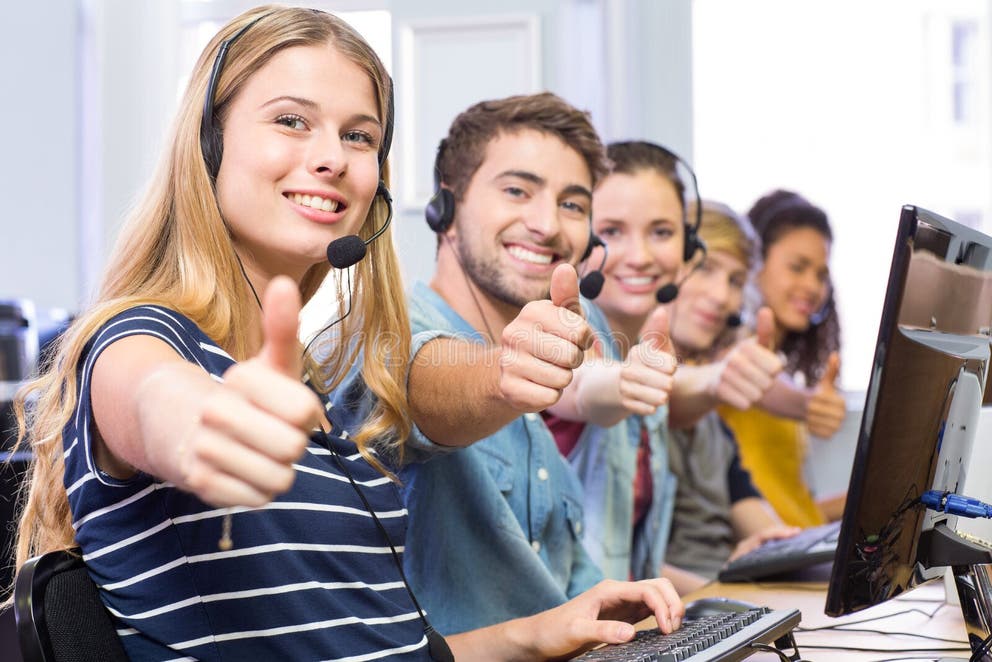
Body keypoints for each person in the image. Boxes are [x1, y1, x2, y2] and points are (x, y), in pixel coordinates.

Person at [6, 8, 683, 660]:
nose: (331, 156)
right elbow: (154, 397)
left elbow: (385, 650)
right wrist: (201, 426)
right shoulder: (138, 337)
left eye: (359, 136)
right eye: (291, 121)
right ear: (208, 143)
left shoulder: (312, 392)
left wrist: (540, 633)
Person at [395, 94, 682, 635]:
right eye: (516, 191)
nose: (548, 224)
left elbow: (566, 596)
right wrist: (502, 376)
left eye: (572, 204)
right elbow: (420, 383)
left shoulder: (542, 396)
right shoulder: (392, 330)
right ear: (446, 207)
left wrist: (627, 607)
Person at [663, 200, 799, 584]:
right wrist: (726, 593)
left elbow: (765, 530)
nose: (722, 296)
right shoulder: (620, 397)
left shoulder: (713, 425)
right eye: (705, 268)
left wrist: (794, 551)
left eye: (736, 281)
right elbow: (623, 566)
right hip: (688, 604)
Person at [718, 189, 846, 527]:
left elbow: (790, 505)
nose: (813, 286)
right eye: (797, 267)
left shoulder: (781, 365)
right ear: (754, 264)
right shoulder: (726, 344)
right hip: (767, 547)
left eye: (821, 275)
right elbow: (747, 372)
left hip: (796, 539)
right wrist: (807, 403)